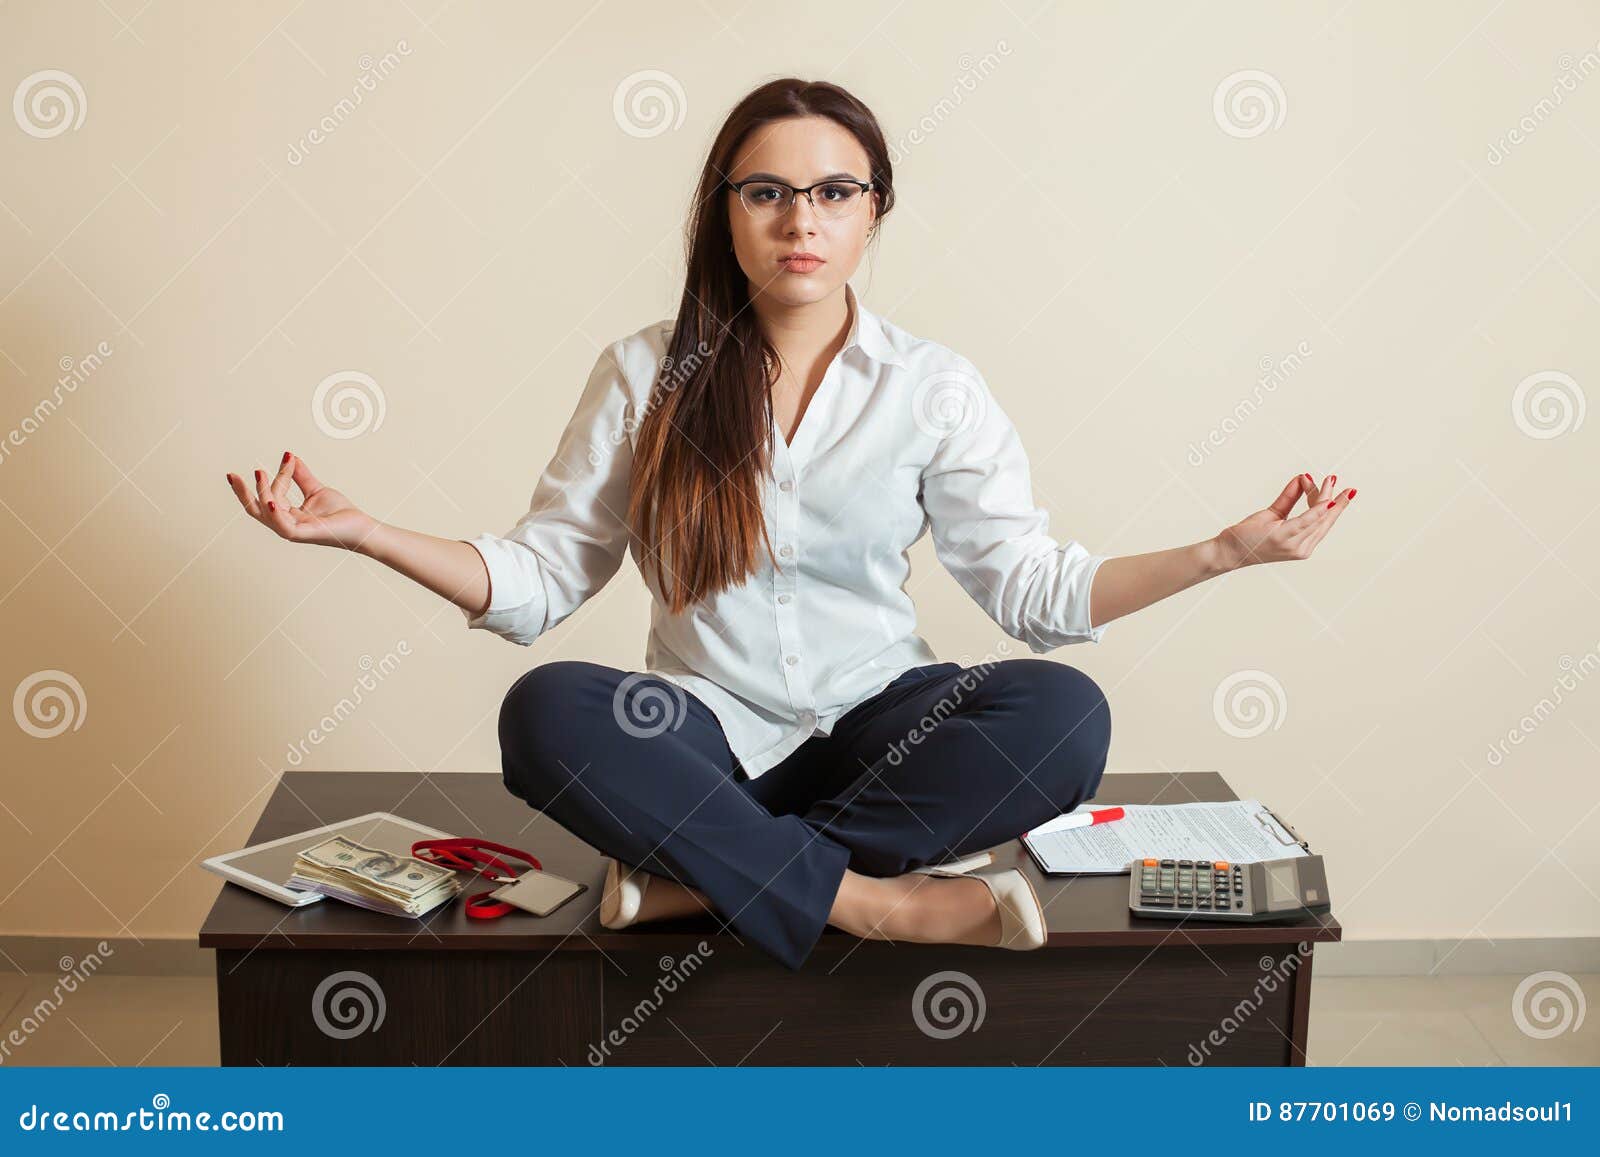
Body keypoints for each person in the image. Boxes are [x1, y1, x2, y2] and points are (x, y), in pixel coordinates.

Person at [225, 78, 1356, 971]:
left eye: (832, 193)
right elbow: (540, 575)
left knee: (1062, 713)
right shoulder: (643, 372)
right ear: (724, 212)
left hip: (879, 724)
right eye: (764, 192)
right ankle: (875, 900)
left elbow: (1034, 593)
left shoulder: (933, 386)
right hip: (697, 730)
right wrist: (363, 530)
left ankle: (701, 881)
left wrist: (1223, 553)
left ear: (875, 212)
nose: (798, 221)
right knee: (548, 711)